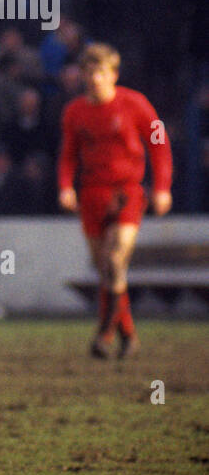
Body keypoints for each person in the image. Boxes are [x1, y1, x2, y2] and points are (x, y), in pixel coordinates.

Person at [58, 44, 173, 359]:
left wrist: (162, 186)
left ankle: (103, 335)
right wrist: (66, 186)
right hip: (92, 195)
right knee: (104, 267)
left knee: (115, 258)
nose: (95, 78)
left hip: (127, 193)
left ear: (113, 75)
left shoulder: (135, 104)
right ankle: (129, 334)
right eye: (90, 72)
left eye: (101, 72)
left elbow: (159, 145)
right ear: (82, 76)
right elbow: (68, 154)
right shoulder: (75, 112)